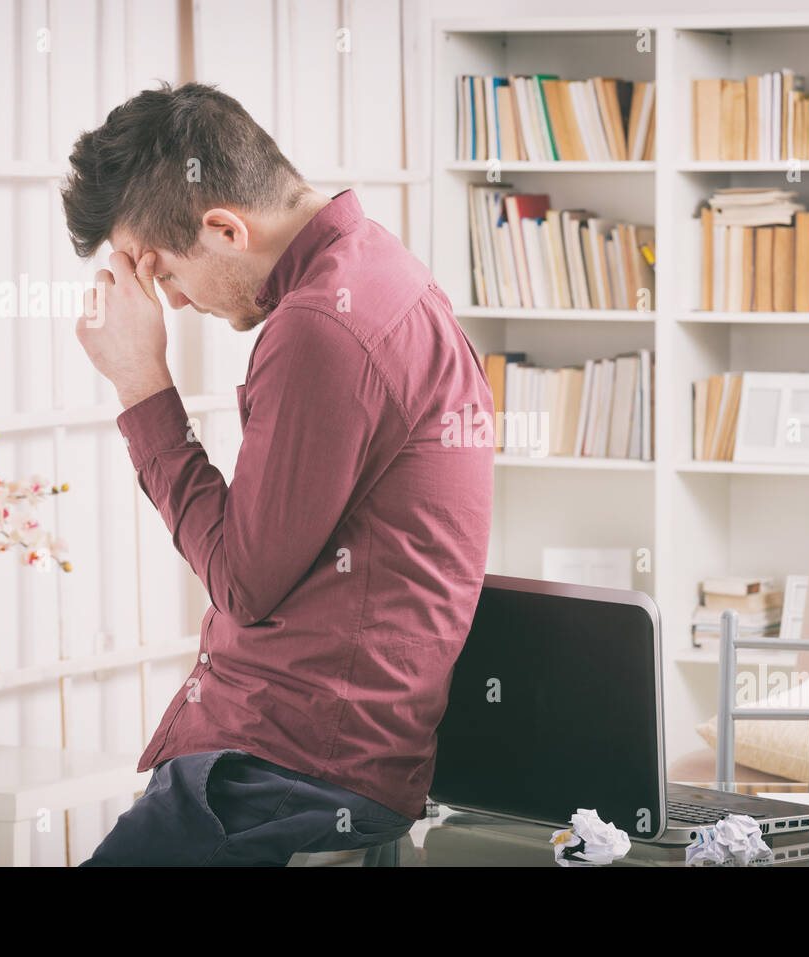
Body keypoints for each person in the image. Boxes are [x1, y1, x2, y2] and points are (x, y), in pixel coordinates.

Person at [62, 81, 493, 865]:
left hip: (293, 772)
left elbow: (242, 580)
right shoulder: (376, 269)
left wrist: (140, 386)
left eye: (163, 276)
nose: (174, 303)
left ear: (225, 226)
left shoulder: (322, 325)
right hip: (304, 757)